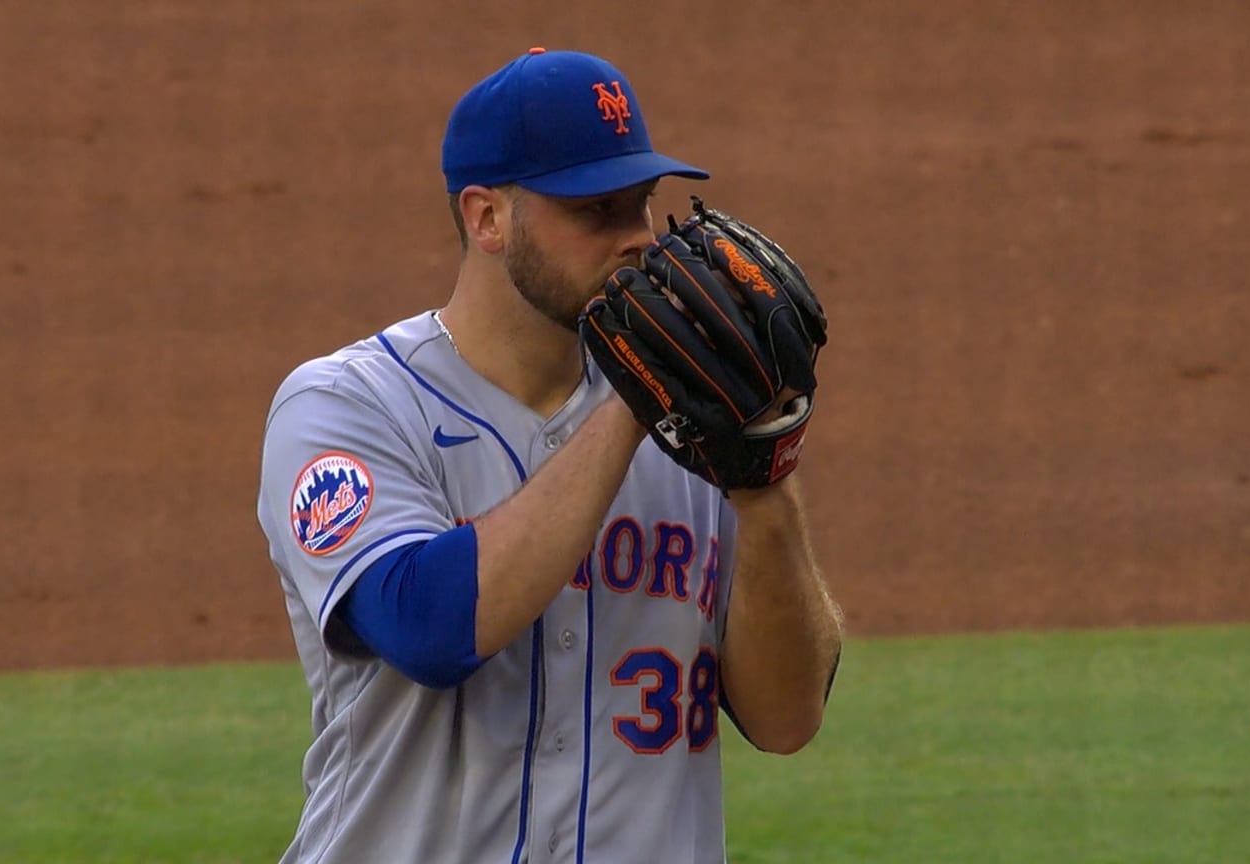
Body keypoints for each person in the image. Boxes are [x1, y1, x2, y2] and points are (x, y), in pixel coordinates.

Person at [257, 47, 844, 864]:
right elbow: (428, 627)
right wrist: (638, 402)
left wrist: (764, 482)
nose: (637, 241)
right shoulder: (348, 406)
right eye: (596, 210)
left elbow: (787, 721)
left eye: (641, 205)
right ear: (486, 217)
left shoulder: (694, 424)